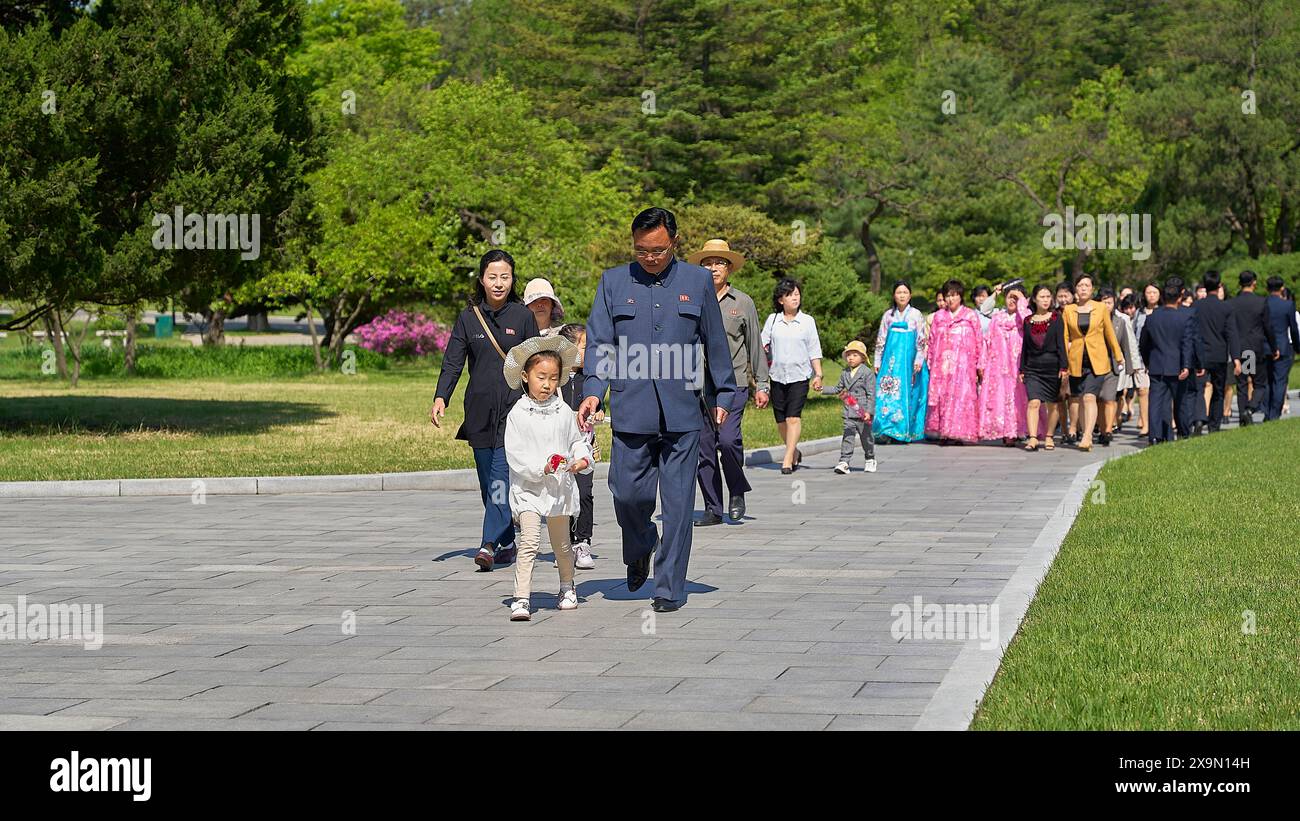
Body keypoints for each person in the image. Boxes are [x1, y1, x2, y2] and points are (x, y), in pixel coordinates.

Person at [578, 207, 736, 614]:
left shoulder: (697, 281)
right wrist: (594, 391)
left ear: (675, 243)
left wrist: (723, 396)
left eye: (659, 250)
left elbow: (714, 341)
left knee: (680, 504)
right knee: (628, 495)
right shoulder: (614, 281)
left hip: (684, 412)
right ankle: (640, 544)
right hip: (632, 408)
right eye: (642, 250)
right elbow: (600, 343)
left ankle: (668, 588)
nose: (650, 258)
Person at [432, 249, 539, 571]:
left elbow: (536, 362)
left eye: (505, 277)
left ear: (512, 280)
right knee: (486, 482)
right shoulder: (468, 318)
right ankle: (507, 542)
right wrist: (441, 397)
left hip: (514, 411)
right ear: (481, 280)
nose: (498, 283)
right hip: (478, 411)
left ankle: (488, 545)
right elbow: (453, 362)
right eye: (492, 277)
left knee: (499, 479)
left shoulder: (523, 317)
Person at [502, 335, 593, 621]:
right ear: (525, 376)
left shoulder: (563, 411)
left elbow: (576, 441)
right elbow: (515, 454)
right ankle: (521, 596)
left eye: (553, 378)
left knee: (562, 544)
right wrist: (540, 468)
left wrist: (581, 459)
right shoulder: (518, 414)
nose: (547, 384)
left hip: (558, 489)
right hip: (529, 488)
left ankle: (567, 586)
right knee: (529, 541)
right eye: (541, 377)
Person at [687, 239, 769, 525]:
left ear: (729, 268)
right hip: (698, 386)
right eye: (707, 263)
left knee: (729, 440)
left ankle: (737, 489)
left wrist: (763, 383)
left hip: (733, 383)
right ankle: (712, 507)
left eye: (719, 262)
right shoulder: (691, 299)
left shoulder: (742, 303)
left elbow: (755, 345)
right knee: (704, 448)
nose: (713, 268)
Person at [761, 277, 823, 474]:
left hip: (800, 376)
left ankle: (787, 459)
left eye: (797, 294)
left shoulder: (807, 321)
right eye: (790, 295)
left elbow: (814, 349)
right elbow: (762, 346)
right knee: (781, 420)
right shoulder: (772, 320)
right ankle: (794, 450)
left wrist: (818, 374)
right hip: (777, 376)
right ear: (781, 300)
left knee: (793, 417)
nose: (795, 298)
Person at [1061, 273, 1124, 451]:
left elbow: (1110, 334)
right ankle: (1084, 433)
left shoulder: (1101, 308)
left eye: (1087, 285)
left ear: (1092, 289)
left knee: (1090, 397)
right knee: (1081, 399)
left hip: (1098, 360)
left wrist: (1118, 355)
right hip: (1076, 360)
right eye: (1080, 285)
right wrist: (1064, 361)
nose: (1083, 289)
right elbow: (1065, 337)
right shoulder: (1068, 310)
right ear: (1075, 289)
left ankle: (1088, 435)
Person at [558, 323, 600, 570]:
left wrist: (597, 412)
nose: (590, 353)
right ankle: (564, 544)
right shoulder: (556, 379)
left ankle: (583, 542)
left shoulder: (592, 380)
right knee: (563, 495)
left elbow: (599, 405)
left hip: (584, 446)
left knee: (584, 492)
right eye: (585, 347)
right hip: (560, 447)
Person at [925, 279, 982, 444]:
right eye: (947, 296)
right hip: (943, 365)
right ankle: (944, 432)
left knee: (961, 396)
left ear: (961, 296)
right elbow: (932, 340)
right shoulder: (939, 317)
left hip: (964, 366)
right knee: (943, 396)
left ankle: (959, 432)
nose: (950, 299)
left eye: (954, 295)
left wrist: (980, 364)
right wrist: (930, 361)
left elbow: (979, 340)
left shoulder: (970, 315)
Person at [1139, 282, 1197, 444]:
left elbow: (1143, 343)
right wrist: (1186, 365)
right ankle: (1183, 432)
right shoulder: (1185, 317)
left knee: (1156, 402)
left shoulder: (1151, 318)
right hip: (1177, 366)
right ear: (1179, 298)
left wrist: (1148, 361)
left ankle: (1156, 436)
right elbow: (1187, 343)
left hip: (1157, 365)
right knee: (1180, 402)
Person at [872, 280, 929, 443]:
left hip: (908, 361)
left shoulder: (916, 315)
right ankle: (885, 429)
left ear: (910, 295)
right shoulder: (888, 315)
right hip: (890, 362)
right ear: (893, 296)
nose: (902, 295)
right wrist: (877, 360)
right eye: (898, 292)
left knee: (907, 394)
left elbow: (921, 339)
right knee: (887, 393)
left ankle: (902, 430)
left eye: (905, 292)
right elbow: (881, 339)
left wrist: (919, 359)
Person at [1186, 271, 1240, 433]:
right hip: (1219, 355)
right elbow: (1232, 334)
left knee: (1199, 388)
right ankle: (1214, 425)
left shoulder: (1195, 307)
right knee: (1218, 390)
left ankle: (1199, 418)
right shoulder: (1226, 307)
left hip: (1199, 355)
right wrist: (1236, 358)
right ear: (1219, 286)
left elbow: (1190, 332)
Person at [977, 284, 1029, 445]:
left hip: (1019, 364)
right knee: (1000, 398)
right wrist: (982, 363)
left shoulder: (1025, 317)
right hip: (998, 366)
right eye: (1009, 297)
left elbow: (1028, 320)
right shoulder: (998, 317)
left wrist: (1021, 301)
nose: (1012, 301)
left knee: (1018, 398)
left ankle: (1018, 430)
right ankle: (1005, 432)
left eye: (1016, 298)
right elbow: (984, 310)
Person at [1020, 284, 1068, 451]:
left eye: (1048, 296)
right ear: (1034, 299)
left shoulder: (1056, 318)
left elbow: (1061, 344)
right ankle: (1032, 438)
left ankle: (1049, 436)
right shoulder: (1028, 320)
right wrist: (1022, 369)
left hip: (1052, 367)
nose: (1046, 300)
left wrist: (1064, 367)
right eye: (1042, 297)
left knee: (1052, 404)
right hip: (1032, 368)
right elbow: (1025, 347)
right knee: (1033, 402)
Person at [1230, 270, 1279, 426]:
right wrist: (1274, 347)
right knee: (1259, 383)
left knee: (1242, 384)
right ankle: (1250, 409)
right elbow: (1268, 327)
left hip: (1239, 348)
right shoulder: (1260, 302)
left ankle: (1243, 418)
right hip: (1254, 348)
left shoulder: (1232, 303)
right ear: (1254, 283)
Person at [824, 340, 876, 474]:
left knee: (866, 438)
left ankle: (870, 458)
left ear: (863, 358)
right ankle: (844, 461)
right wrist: (822, 389)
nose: (851, 358)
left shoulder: (867, 373)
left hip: (862, 411)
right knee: (848, 435)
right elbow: (837, 389)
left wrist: (869, 412)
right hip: (849, 409)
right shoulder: (845, 372)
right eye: (849, 355)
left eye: (855, 355)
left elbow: (871, 394)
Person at [1097, 287, 1141, 445]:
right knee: (1099, 400)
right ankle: (1102, 429)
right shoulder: (1094, 319)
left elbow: (1127, 345)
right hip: (1095, 365)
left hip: (1113, 366)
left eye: (1109, 302)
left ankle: (1108, 430)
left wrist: (1130, 367)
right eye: (1104, 302)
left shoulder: (1121, 320)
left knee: (1109, 398)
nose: (1107, 305)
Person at [1264, 276, 1300, 421]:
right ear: (1282, 288)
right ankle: (1274, 414)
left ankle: (1266, 411)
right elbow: (1293, 329)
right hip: (1283, 346)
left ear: (1267, 288)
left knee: (1267, 380)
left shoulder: (1263, 304)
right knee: (1280, 381)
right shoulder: (1288, 305)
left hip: (1265, 347)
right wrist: (1297, 347)